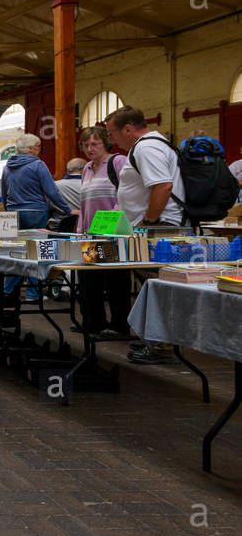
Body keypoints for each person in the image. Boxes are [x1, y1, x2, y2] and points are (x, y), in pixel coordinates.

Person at [105, 106, 185, 365]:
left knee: (157, 285)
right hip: (153, 225)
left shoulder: (147, 147)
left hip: (158, 227)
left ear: (128, 129)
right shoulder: (150, 145)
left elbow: (163, 186)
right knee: (151, 285)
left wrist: (148, 222)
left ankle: (161, 344)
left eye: (112, 133)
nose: (111, 139)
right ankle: (155, 339)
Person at [1, 133, 73, 300]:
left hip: (12, 213)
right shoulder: (38, 164)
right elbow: (51, 191)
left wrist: (9, 210)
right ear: (31, 149)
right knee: (36, 254)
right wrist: (67, 210)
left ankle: (8, 290)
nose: (40, 150)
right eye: (39, 146)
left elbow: (4, 193)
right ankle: (33, 294)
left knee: (14, 253)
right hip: (35, 212)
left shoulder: (7, 166)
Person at [76, 125, 130, 339]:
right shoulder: (87, 168)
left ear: (105, 143)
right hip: (91, 234)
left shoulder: (117, 162)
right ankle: (94, 323)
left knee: (116, 282)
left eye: (95, 144)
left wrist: (111, 224)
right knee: (90, 281)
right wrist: (80, 230)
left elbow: (126, 196)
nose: (90, 148)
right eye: (86, 145)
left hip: (112, 234)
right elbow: (84, 204)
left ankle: (119, 326)